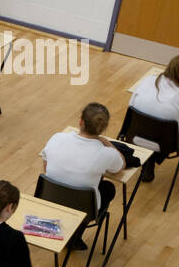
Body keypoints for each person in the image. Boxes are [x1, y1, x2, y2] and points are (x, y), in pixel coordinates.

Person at [39, 102, 125, 249]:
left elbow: (46, 167)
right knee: (108, 188)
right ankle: (76, 234)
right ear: (103, 128)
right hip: (85, 209)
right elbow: (120, 166)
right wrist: (106, 142)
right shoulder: (106, 153)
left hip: (50, 198)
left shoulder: (58, 138)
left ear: (81, 121)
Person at [127, 54, 179, 182]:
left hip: (135, 135)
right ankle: (153, 159)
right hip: (167, 144)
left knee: (158, 126)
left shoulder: (148, 80)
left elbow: (131, 105)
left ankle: (149, 160)